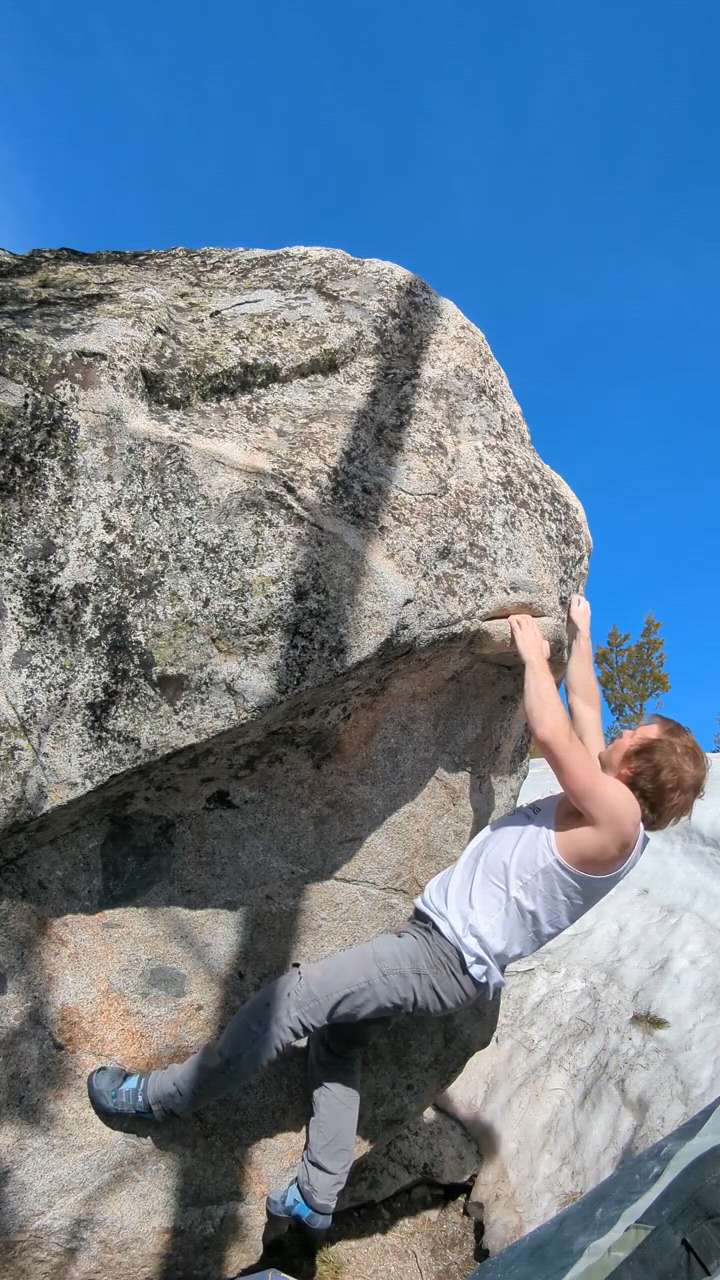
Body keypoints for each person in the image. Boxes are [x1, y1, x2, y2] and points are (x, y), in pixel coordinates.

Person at [87, 596, 708, 1243]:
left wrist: (533, 657)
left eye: (633, 735)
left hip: (442, 957)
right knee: (337, 1039)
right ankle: (315, 1198)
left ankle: (160, 1099)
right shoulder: (608, 812)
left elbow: (555, 730)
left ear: (636, 767)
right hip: (437, 951)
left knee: (294, 1000)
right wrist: (581, 634)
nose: (620, 732)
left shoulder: (619, 818)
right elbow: (584, 709)